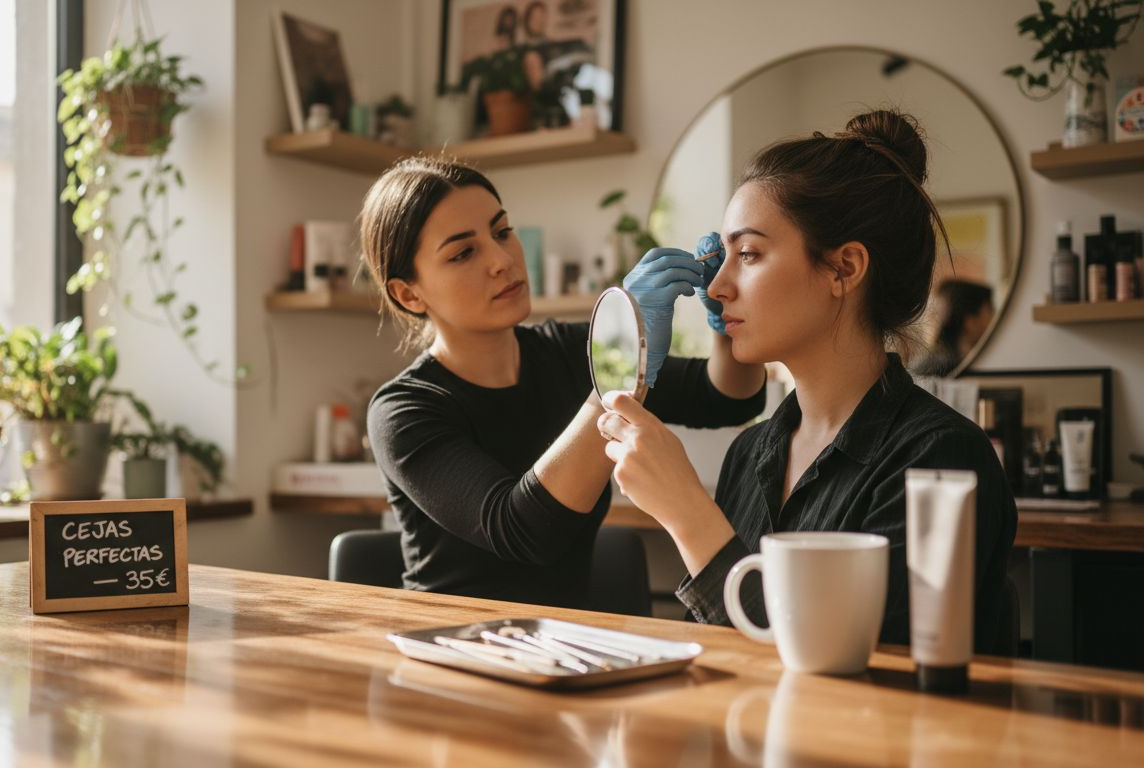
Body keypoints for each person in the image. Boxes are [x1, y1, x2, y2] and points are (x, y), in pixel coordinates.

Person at [595, 110, 1017, 653]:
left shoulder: (941, 460)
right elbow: (727, 658)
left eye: (747, 254)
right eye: (723, 257)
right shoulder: (750, 453)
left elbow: (855, 677)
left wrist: (687, 513)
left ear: (844, 268)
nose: (718, 286)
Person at [363, 156, 766, 609]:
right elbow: (524, 530)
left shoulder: (566, 351)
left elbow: (726, 398)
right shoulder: (402, 410)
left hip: (564, 646)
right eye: (462, 253)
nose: (501, 260)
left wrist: (723, 319)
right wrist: (620, 367)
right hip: (450, 647)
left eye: (501, 232)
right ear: (408, 293)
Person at [910, 279, 995, 377]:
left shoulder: (928, 367)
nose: (993, 321)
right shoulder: (953, 372)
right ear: (969, 322)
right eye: (990, 312)